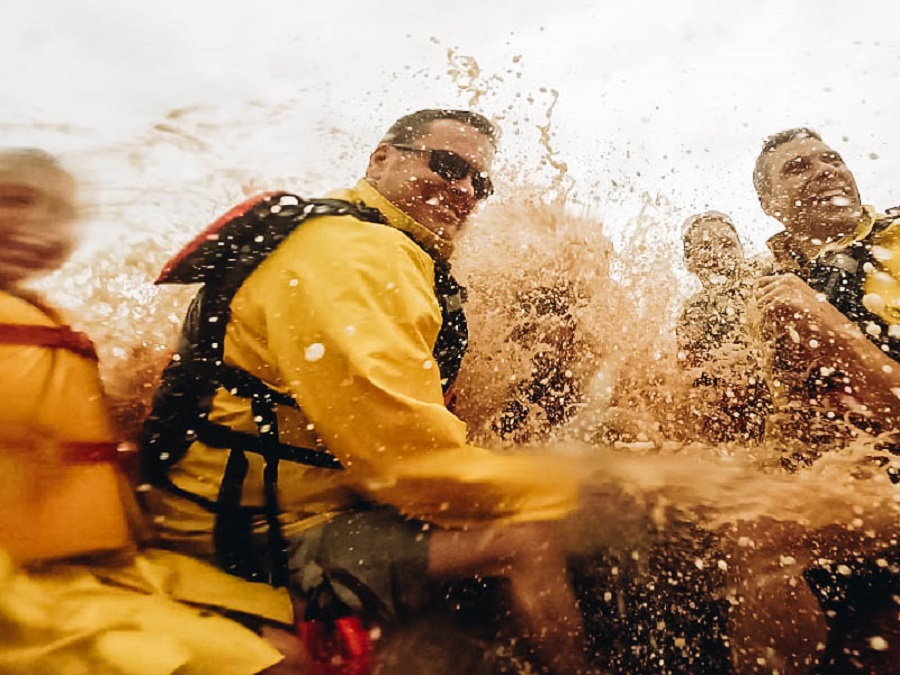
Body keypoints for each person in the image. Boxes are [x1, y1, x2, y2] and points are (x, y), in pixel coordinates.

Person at [141, 109, 589, 673]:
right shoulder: (353, 253)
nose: (464, 189)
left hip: (242, 505)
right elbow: (407, 463)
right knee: (531, 539)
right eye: (447, 165)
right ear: (382, 158)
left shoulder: (358, 238)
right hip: (253, 532)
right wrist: (579, 488)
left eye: (481, 181)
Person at [0, 148, 292, 674]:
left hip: (95, 568)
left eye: (53, 215)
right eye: (12, 202)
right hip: (19, 594)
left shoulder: (45, 320)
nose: (32, 228)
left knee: (290, 631)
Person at [721, 128, 900, 674]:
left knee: (758, 537)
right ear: (770, 205)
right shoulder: (766, 283)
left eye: (831, 159)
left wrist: (822, 318)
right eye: (798, 168)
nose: (824, 170)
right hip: (847, 480)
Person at [676, 211, 770, 443]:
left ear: (741, 252)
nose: (718, 254)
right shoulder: (692, 312)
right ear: (690, 262)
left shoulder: (763, 279)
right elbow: (689, 379)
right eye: (705, 247)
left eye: (727, 244)